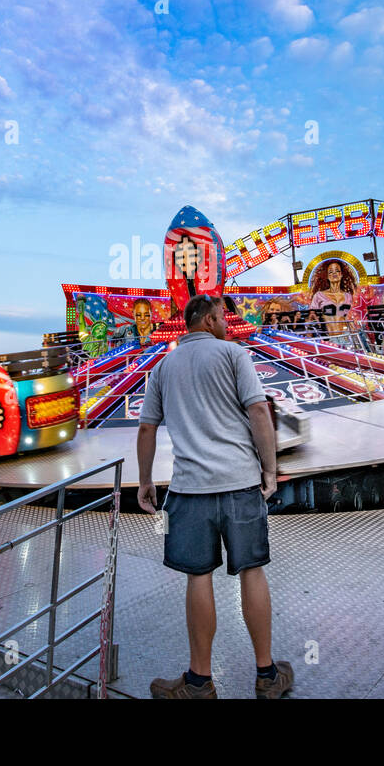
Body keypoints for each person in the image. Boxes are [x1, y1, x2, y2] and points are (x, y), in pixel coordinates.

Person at [137, 294, 293, 699]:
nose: (227, 322)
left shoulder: (163, 367)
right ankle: (266, 675)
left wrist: (144, 481)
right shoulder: (233, 355)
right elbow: (259, 411)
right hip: (240, 483)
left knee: (198, 577)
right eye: (223, 316)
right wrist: (269, 470)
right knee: (252, 572)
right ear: (207, 320)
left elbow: (147, 429)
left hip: (189, 490)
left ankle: (199, 682)